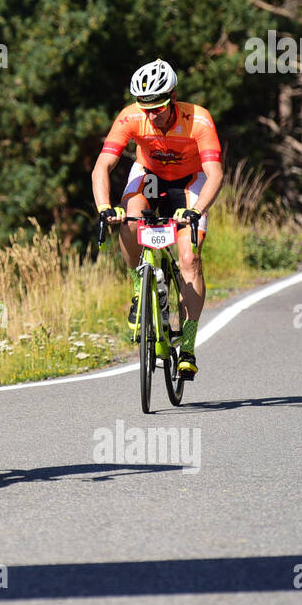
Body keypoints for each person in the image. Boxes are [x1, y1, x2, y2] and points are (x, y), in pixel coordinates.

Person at [90, 59, 224, 379]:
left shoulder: (199, 121)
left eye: (159, 107)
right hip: (150, 177)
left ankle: (188, 346)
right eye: (145, 107)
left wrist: (196, 210)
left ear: (173, 97)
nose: (152, 114)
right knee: (128, 220)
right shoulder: (130, 117)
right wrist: (104, 207)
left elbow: (215, 174)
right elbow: (102, 166)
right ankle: (141, 286)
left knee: (190, 258)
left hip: (190, 182)